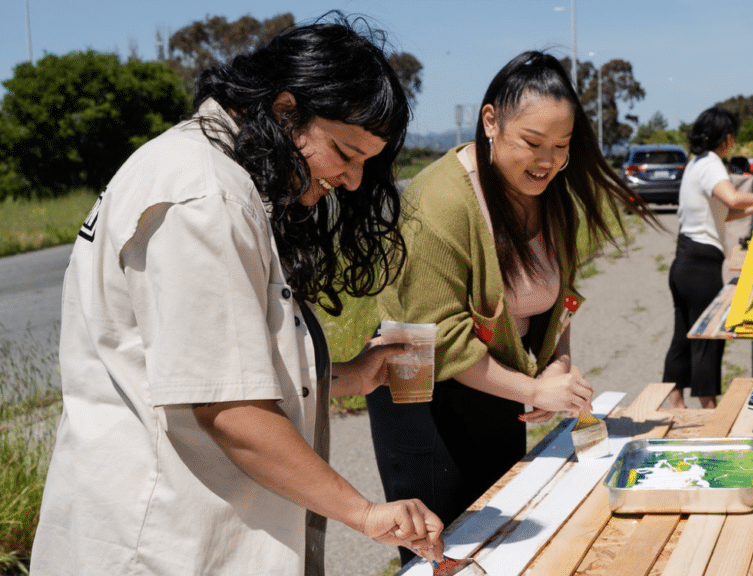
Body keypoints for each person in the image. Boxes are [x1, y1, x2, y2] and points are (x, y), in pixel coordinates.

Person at [31, 16, 444, 576]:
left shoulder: (212, 171)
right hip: (160, 543)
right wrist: (366, 513)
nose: (350, 180)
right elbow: (231, 409)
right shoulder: (205, 196)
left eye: (364, 164)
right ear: (284, 109)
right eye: (344, 153)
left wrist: (350, 374)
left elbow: (220, 362)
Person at [367, 51, 654, 554]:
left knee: (506, 530)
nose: (548, 161)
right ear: (491, 121)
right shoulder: (439, 202)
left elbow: (557, 301)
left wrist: (555, 371)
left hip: (493, 379)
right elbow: (441, 341)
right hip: (420, 386)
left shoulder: (549, 194)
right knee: (446, 544)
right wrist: (530, 388)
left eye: (562, 146)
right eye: (533, 143)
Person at [662, 107, 753, 409]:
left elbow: (726, 212)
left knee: (683, 335)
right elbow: (732, 197)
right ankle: (708, 405)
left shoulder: (696, 164)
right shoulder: (713, 164)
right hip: (700, 265)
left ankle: (675, 399)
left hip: (684, 261)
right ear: (727, 138)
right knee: (708, 337)